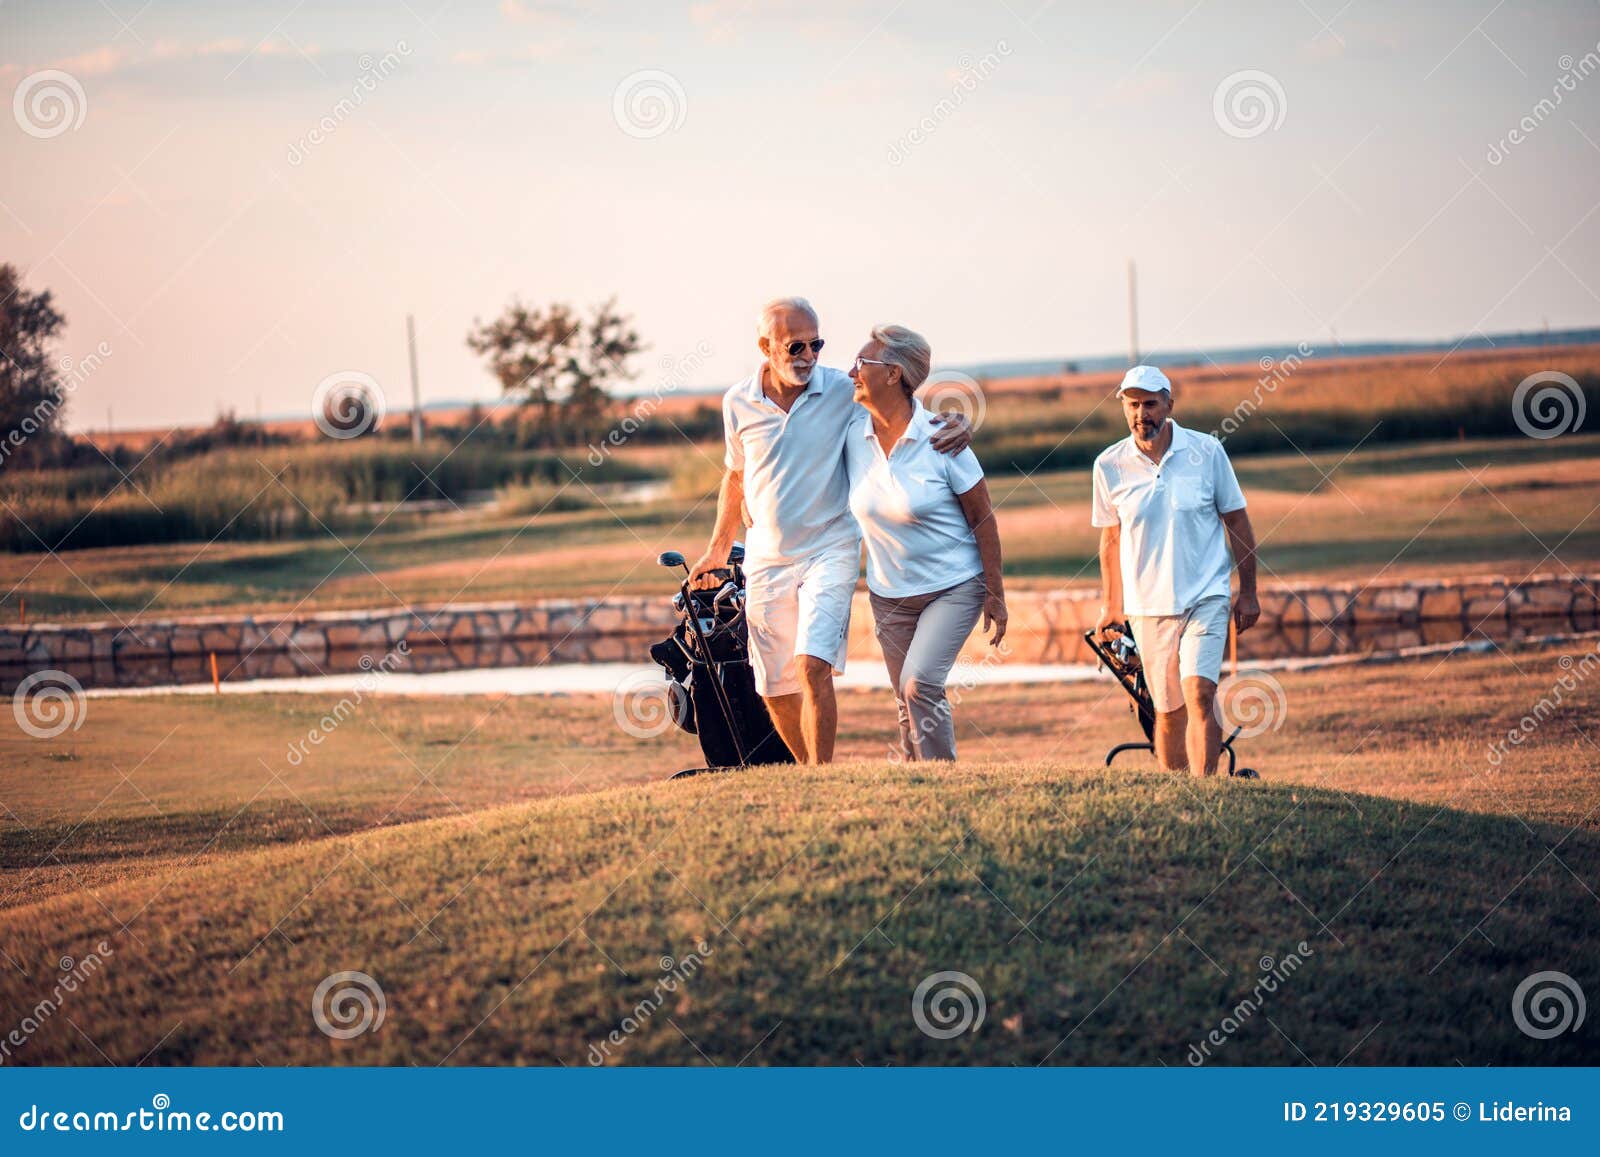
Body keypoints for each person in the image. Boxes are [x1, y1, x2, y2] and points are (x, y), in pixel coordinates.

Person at [688, 298, 970, 764]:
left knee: (811, 666)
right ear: (765, 347)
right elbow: (736, 474)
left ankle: (822, 775)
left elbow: (899, 412)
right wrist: (718, 548)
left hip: (830, 548)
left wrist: (958, 420)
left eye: (816, 345)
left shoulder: (841, 390)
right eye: (795, 346)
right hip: (766, 557)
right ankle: (813, 776)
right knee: (774, 686)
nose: (808, 356)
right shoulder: (737, 402)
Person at [846, 326, 1006, 762]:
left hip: (953, 587)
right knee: (904, 699)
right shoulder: (851, 434)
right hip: (889, 595)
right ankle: (917, 784)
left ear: (893, 374)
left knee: (919, 685)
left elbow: (983, 518)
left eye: (861, 364)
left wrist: (995, 592)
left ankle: (941, 780)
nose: (851, 372)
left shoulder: (941, 437)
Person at [1091, 365, 1260, 776]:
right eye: (1133, 405)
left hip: (1206, 595)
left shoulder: (1207, 451)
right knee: (1167, 712)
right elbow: (1111, 540)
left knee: (1199, 692)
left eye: (1150, 404)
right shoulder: (1108, 465)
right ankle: (1179, 793)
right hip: (1147, 607)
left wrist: (1249, 592)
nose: (1141, 414)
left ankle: (1207, 791)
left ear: (1169, 404)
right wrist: (1111, 607)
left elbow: (1236, 521)